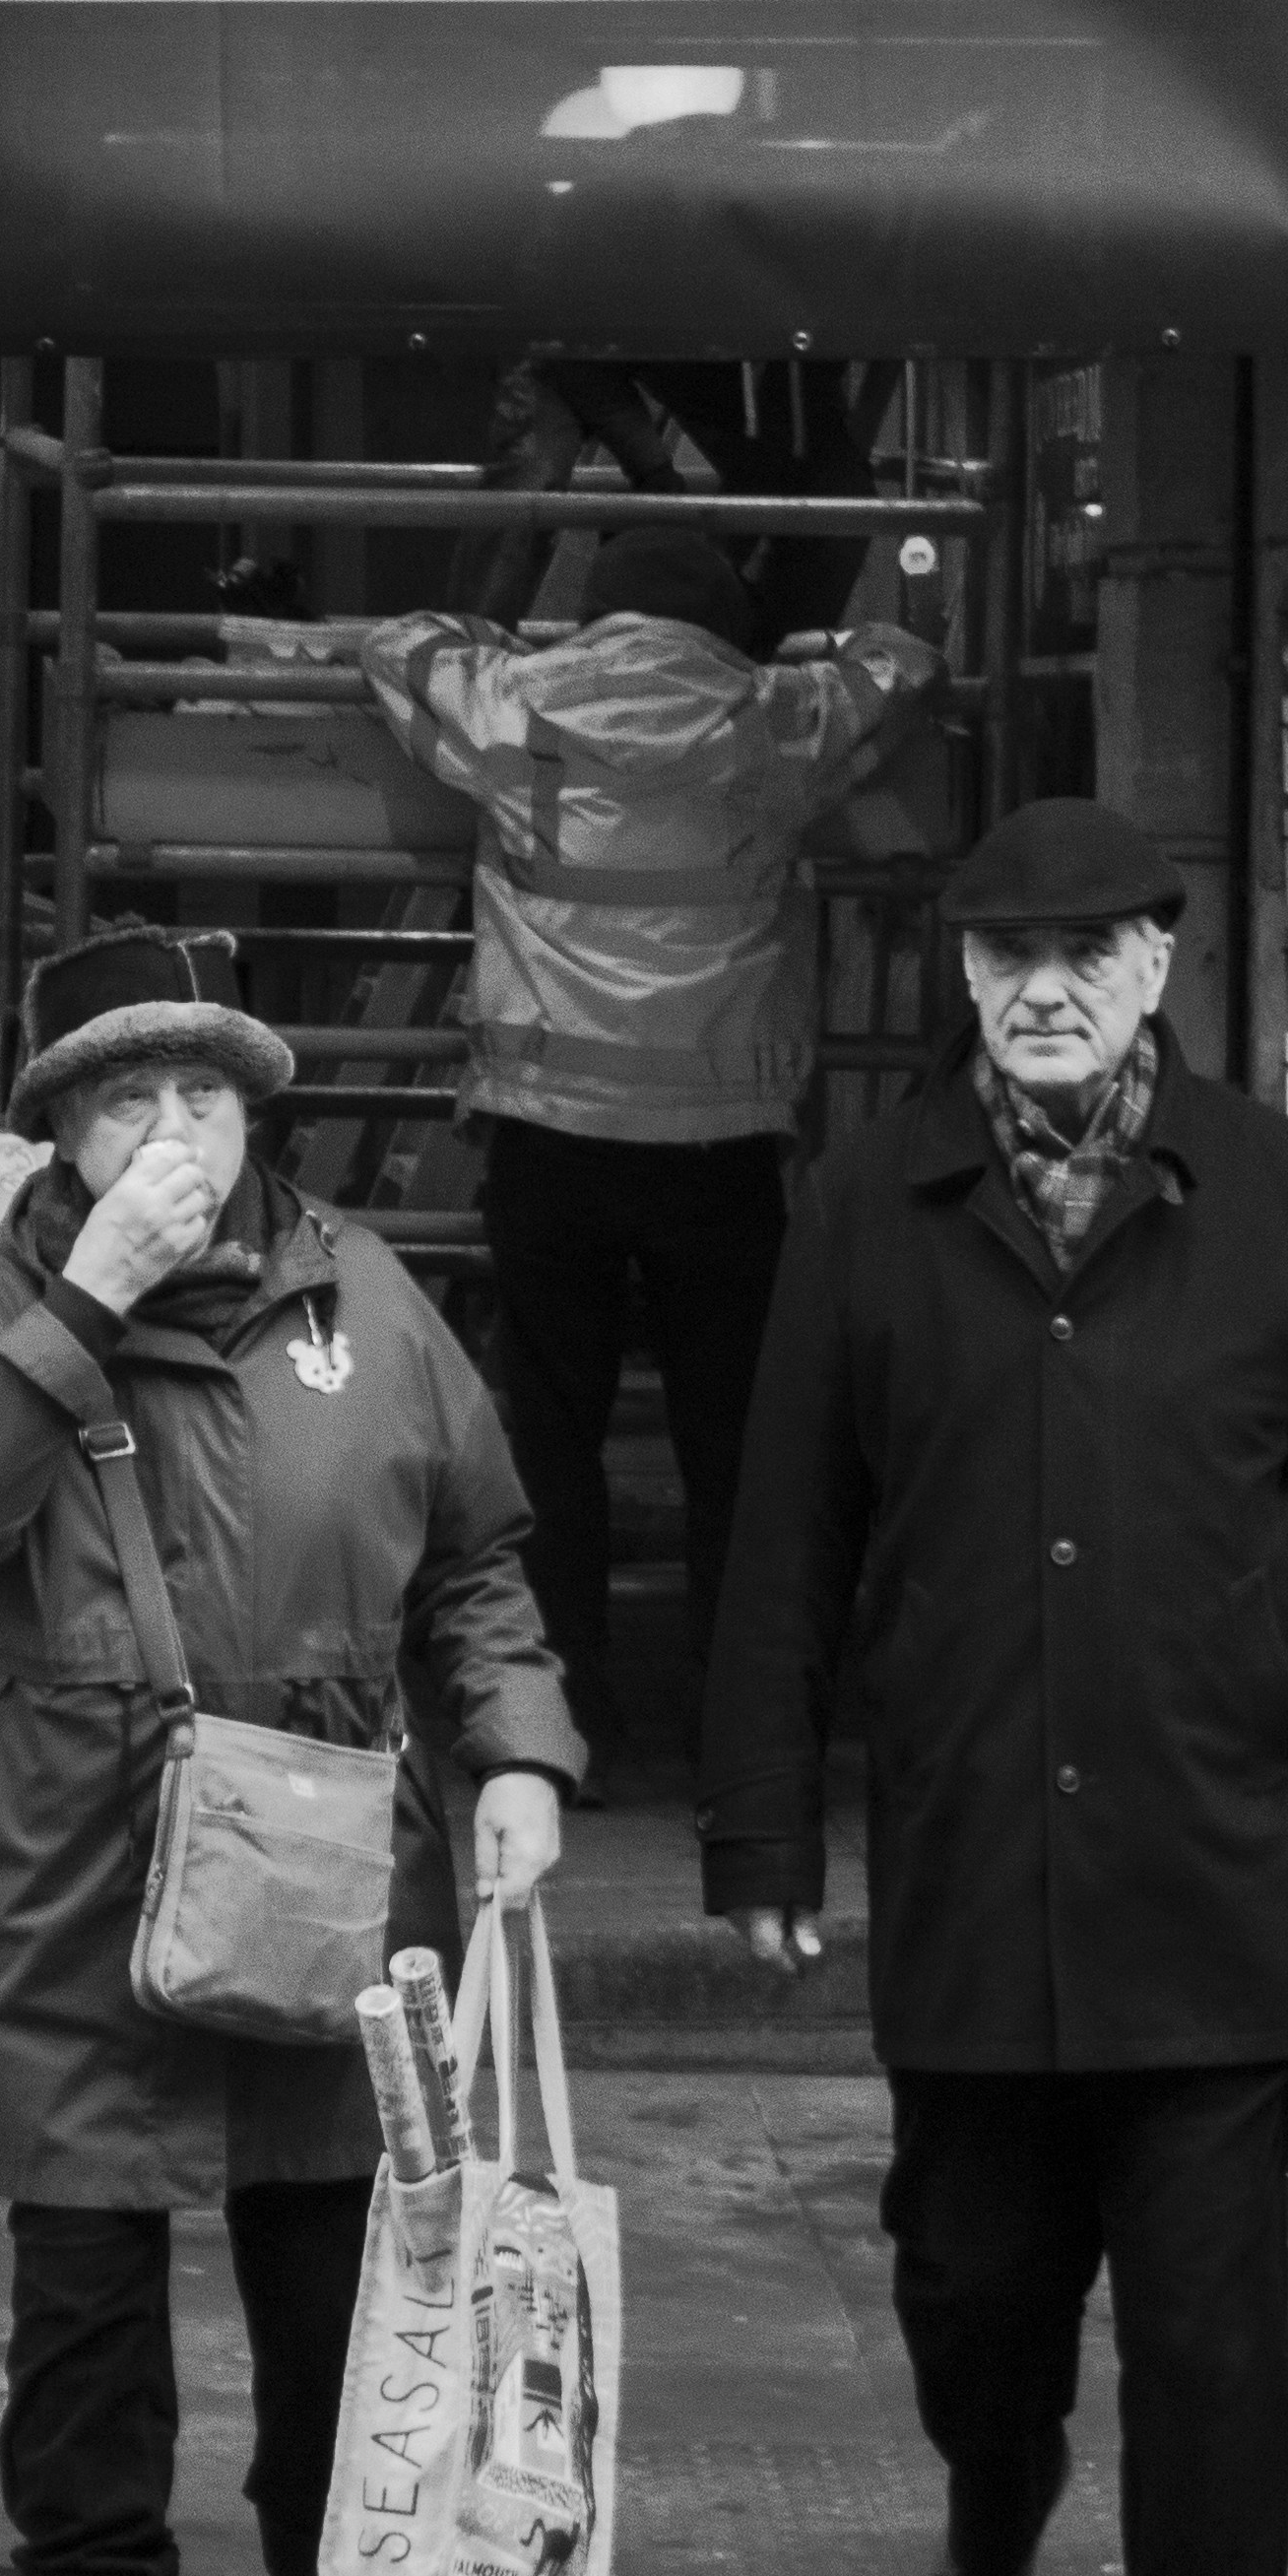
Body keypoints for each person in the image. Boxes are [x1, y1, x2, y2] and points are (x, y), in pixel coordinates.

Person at [697, 797, 1288, 2576]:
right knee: (972, 2286)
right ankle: (987, 2517)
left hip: (1214, 1853)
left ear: (1153, 967)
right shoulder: (869, 1203)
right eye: (996, 963)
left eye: (1080, 958)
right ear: (959, 982)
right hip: (972, 1853)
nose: (1036, 996)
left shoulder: (1270, 1192)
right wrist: (764, 1834)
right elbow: (782, 1539)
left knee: (1211, 2327)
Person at [0, 924, 582, 2576]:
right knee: (85, 2315)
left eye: (202, 1091)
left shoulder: (364, 1294)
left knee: (335, 2282)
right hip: (68, 1868)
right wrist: (77, 1311)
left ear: (253, 1113)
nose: (174, 1129)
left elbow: (474, 1565)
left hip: (332, 1859)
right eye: (128, 1097)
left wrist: (515, 1751)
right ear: (59, 1132)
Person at [361, 429, 934, 1782]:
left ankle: (569, 1719)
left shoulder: (516, 707)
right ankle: (743, 1728)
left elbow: (399, 647)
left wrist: (499, 632)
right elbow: (904, 667)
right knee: (731, 1435)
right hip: (718, 1154)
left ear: (601, 605)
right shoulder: (774, 721)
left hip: (547, 1141)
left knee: (546, 1435)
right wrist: (802, 656)